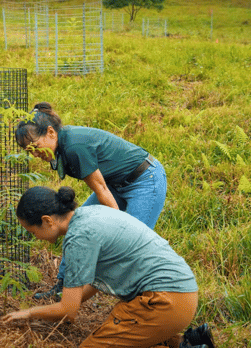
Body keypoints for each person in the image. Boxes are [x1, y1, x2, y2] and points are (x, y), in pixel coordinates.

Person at [3, 186, 214, 348]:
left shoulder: (78, 239)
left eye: (32, 232)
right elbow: (93, 284)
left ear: (47, 220)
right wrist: (58, 306)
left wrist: (30, 313)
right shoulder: (90, 214)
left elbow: (69, 312)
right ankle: (191, 342)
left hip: (164, 302)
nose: (36, 238)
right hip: (183, 295)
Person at [15, 102, 168, 300]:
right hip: (114, 184)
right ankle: (63, 287)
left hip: (144, 181)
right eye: (29, 151)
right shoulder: (61, 145)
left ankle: (147, 298)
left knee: (131, 244)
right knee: (74, 226)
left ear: (51, 132)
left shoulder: (74, 147)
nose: (35, 154)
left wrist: (119, 228)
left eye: (36, 147)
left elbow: (101, 189)